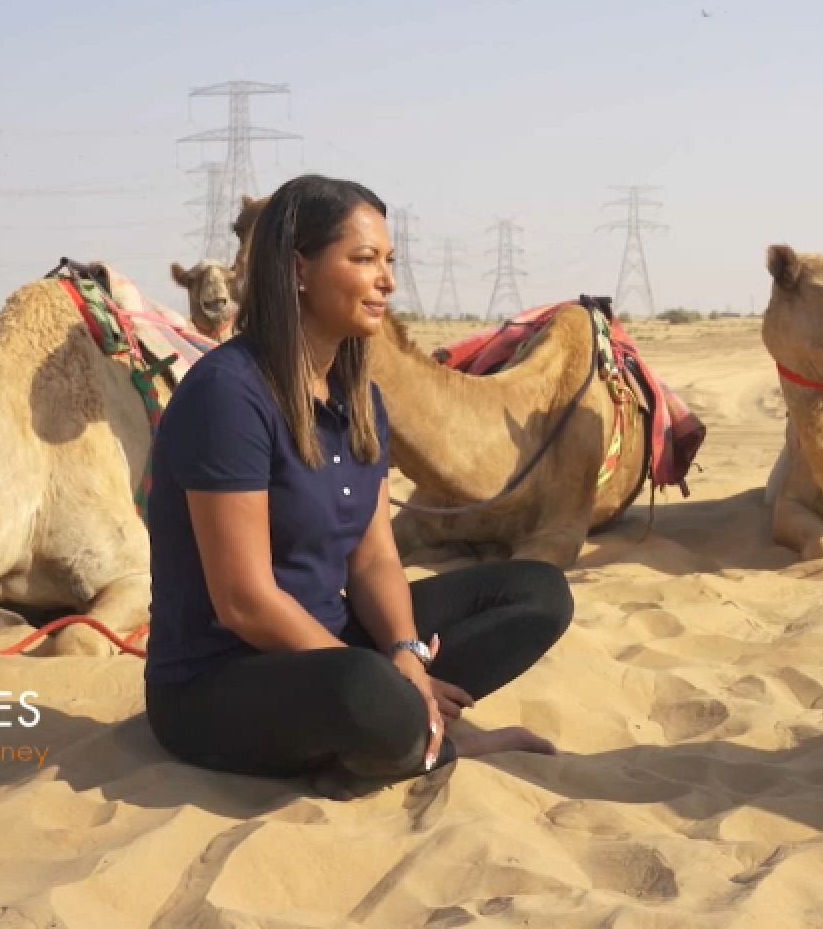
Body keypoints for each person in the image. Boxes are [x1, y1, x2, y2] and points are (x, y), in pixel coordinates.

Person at [143, 174, 573, 786]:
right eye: (364, 259)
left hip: (339, 646)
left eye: (388, 261)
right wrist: (385, 676)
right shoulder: (228, 396)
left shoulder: (360, 401)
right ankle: (425, 738)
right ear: (299, 269)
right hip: (221, 678)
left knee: (538, 594)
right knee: (366, 690)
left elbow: (374, 562)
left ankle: (399, 723)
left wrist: (407, 655)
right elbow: (243, 602)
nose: (388, 281)